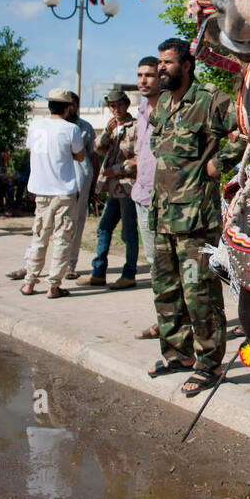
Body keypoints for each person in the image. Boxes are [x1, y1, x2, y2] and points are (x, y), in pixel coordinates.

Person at [148, 37, 241, 396]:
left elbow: (245, 129)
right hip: (163, 217)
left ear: (186, 64)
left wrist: (220, 163)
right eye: (159, 63)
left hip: (195, 220)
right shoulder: (162, 107)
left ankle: (209, 364)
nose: (161, 69)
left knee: (199, 294)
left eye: (168, 62)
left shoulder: (209, 99)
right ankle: (178, 353)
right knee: (165, 291)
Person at [21, 88, 85, 299]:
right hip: (64, 192)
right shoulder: (70, 129)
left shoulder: (35, 125)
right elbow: (80, 155)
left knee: (39, 237)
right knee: (62, 239)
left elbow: (32, 151)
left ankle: (29, 282)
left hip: (41, 190)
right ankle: (53, 286)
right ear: (68, 107)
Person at [76, 87, 138, 290]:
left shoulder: (136, 126)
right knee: (104, 228)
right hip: (112, 189)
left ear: (126, 105)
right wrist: (106, 132)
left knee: (129, 233)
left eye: (119, 104)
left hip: (127, 187)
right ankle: (98, 272)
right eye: (112, 105)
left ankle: (129, 274)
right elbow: (97, 149)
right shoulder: (112, 127)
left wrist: (117, 170)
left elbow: (141, 158)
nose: (116, 109)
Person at [128, 56, 162, 340]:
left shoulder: (172, 107)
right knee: (154, 263)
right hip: (142, 196)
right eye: (140, 75)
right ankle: (164, 320)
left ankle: (184, 322)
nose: (143, 80)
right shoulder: (140, 109)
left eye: (149, 75)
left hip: (170, 199)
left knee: (177, 265)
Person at [63, 92, 99, 279]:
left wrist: (95, 185)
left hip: (81, 181)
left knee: (76, 221)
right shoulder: (53, 126)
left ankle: (70, 264)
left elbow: (93, 156)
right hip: (58, 183)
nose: (69, 108)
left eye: (72, 104)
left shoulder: (85, 128)